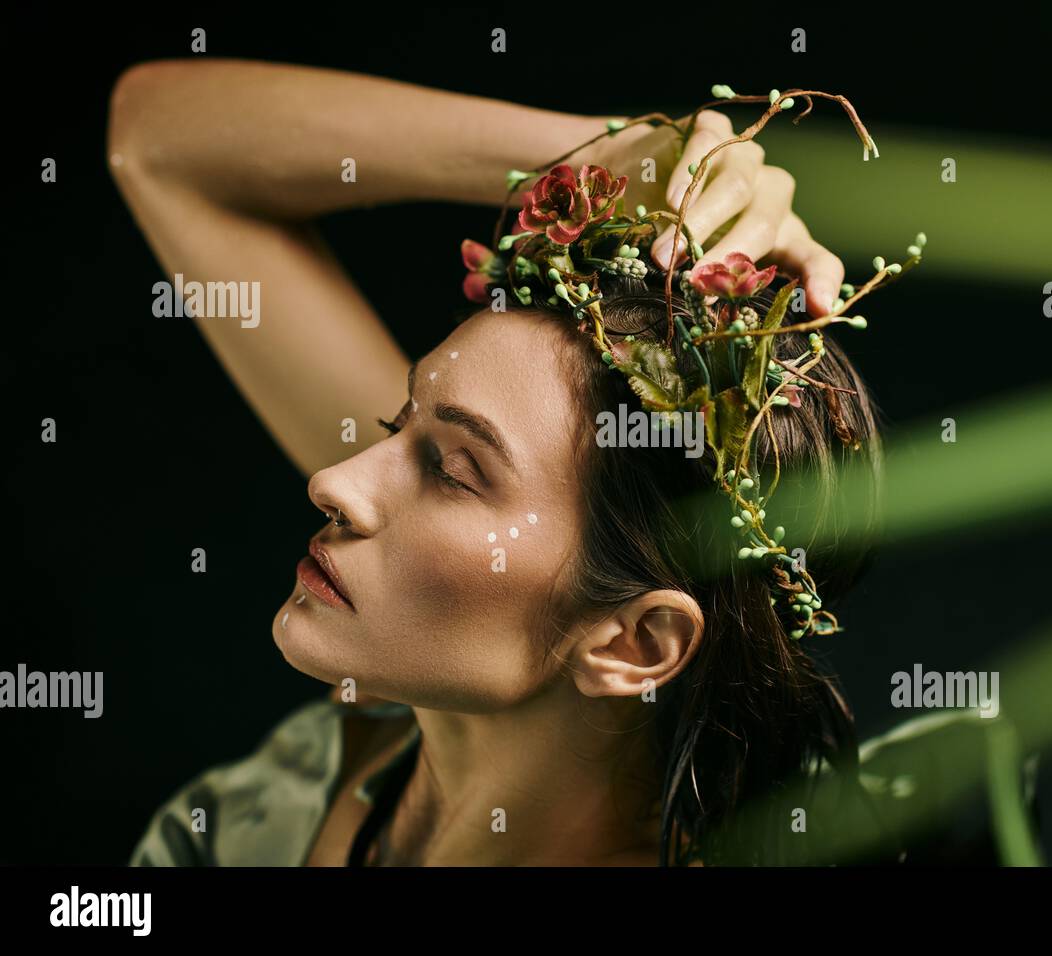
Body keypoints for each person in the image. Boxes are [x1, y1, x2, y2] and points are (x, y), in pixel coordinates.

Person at [108, 58, 918, 867]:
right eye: (398, 421)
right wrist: (598, 158)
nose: (336, 481)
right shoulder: (404, 697)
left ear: (632, 643)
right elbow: (156, 144)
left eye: (456, 473)